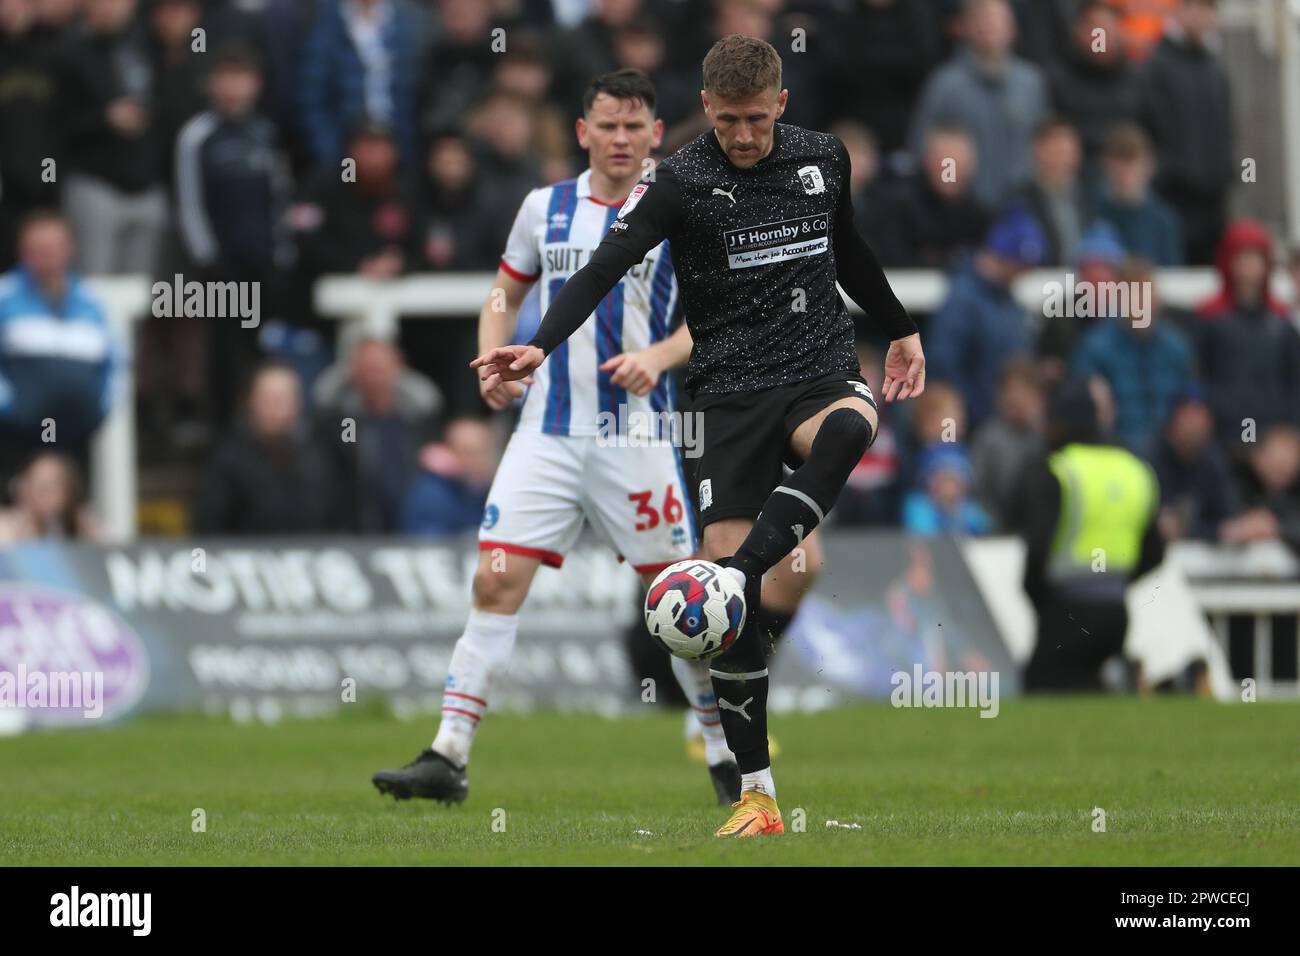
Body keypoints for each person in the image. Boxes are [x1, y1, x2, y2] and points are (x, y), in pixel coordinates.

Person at [471, 38, 925, 837]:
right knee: (726, 624)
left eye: (755, 120)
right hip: (725, 401)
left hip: (818, 370)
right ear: (706, 110)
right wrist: (540, 342)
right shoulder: (680, 179)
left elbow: (848, 249)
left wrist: (900, 331)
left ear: (780, 106)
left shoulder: (824, 158)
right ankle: (758, 798)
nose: (742, 137)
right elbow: (606, 263)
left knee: (854, 424)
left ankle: (743, 571)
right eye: (727, 122)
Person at [373, 70, 740, 810]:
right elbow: (505, 292)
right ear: (582, 132)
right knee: (495, 579)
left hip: (632, 436)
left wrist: (658, 357)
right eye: (606, 125)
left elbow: (717, 315)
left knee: (681, 606)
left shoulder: (681, 206)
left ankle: (725, 753)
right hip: (545, 431)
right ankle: (449, 755)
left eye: (634, 127)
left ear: (655, 134)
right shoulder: (546, 207)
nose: (620, 139)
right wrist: (491, 360)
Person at [1019, 378, 1165, 691]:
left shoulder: (1060, 470)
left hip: (1067, 609)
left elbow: (1038, 551)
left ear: (1059, 424)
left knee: (1042, 689)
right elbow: (1156, 552)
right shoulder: (1136, 469)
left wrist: (1041, 601)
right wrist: (1115, 584)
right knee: (1092, 694)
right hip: (1116, 611)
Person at [0, 211, 122, 486]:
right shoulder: (4, 296)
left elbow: (116, 361)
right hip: (15, 437)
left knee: (75, 512)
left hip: (78, 434)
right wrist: (11, 406)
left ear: (69, 249)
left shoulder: (93, 301)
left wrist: (101, 407)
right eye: (38, 249)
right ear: (23, 253)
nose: (47, 256)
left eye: (53, 248)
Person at [909, 0, 1049, 209]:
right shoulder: (944, 84)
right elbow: (921, 146)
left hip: (1022, 206)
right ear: (965, 28)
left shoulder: (1031, 83)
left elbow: (1044, 145)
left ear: (1012, 28)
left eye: (997, 22)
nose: (989, 29)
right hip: (959, 209)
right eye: (982, 22)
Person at [192, 364, 336, 534]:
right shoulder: (228, 459)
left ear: (298, 403)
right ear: (251, 402)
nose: (276, 407)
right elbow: (209, 524)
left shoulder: (321, 456)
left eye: (283, 399)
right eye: (268, 398)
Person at [0, 452, 101, 544]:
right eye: (39, 486)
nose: (44, 494)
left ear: (69, 491)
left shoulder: (81, 524)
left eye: (53, 485)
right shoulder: (7, 526)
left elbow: (105, 549)